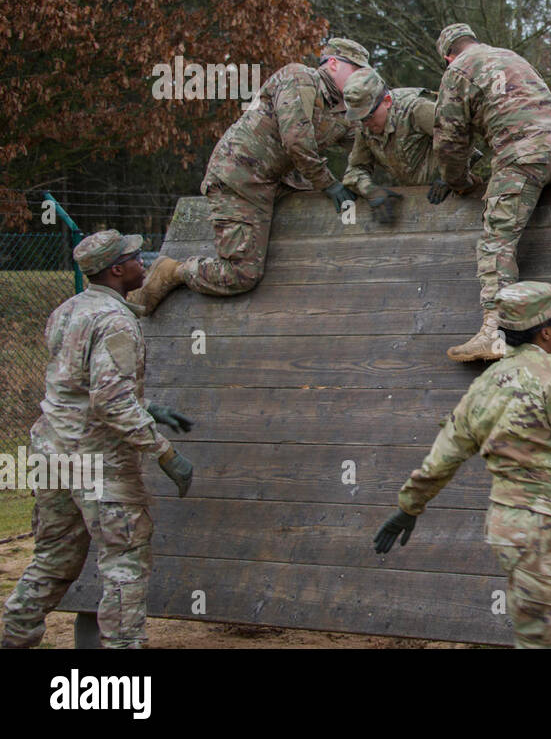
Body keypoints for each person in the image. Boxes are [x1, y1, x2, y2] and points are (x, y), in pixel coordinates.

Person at [373, 281, 551, 648]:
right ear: (546, 331)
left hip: (522, 528)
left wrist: (409, 506)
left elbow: (444, 456)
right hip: (543, 531)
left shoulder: (485, 386)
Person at [1, 230, 195, 649]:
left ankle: (14, 636)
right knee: (124, 560)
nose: (143, 262)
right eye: (134, 258)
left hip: (52, 453)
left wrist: (147, 406)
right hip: (98, 461)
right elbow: (109, 402)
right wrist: (165, 452)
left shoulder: (69, 310)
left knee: (53, 558)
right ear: (117, 269)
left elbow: (75, 384)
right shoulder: (115, 319)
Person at [128, 37, 371, 314]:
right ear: (334, 64)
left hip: (277, 182)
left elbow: (366, 144)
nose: (361, 79)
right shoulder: (299, 78)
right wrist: (329, 184)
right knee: (242, 274)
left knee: (312, 218)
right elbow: (296, 141)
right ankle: (173, 271)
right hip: (239, 179)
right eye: (358, 71)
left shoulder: (342, 109)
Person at [425, 24, 551, 362]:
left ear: (448, 56)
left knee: (496, 238)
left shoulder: (458, 69)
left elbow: (450, 141)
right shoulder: (509, 56)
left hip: (525, 155)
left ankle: (495, 331)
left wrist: (458, 181)